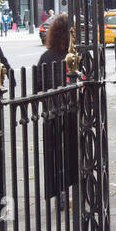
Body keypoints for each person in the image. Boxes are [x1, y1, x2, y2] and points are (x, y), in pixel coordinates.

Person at [37, 14, 76, 209]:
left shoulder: (46, 57)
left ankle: (60, 190)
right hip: (72, 111)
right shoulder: (75, 55)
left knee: (55, 154)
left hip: (51, 111)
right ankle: (76, 186)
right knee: (74, 150)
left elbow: (38, 87)